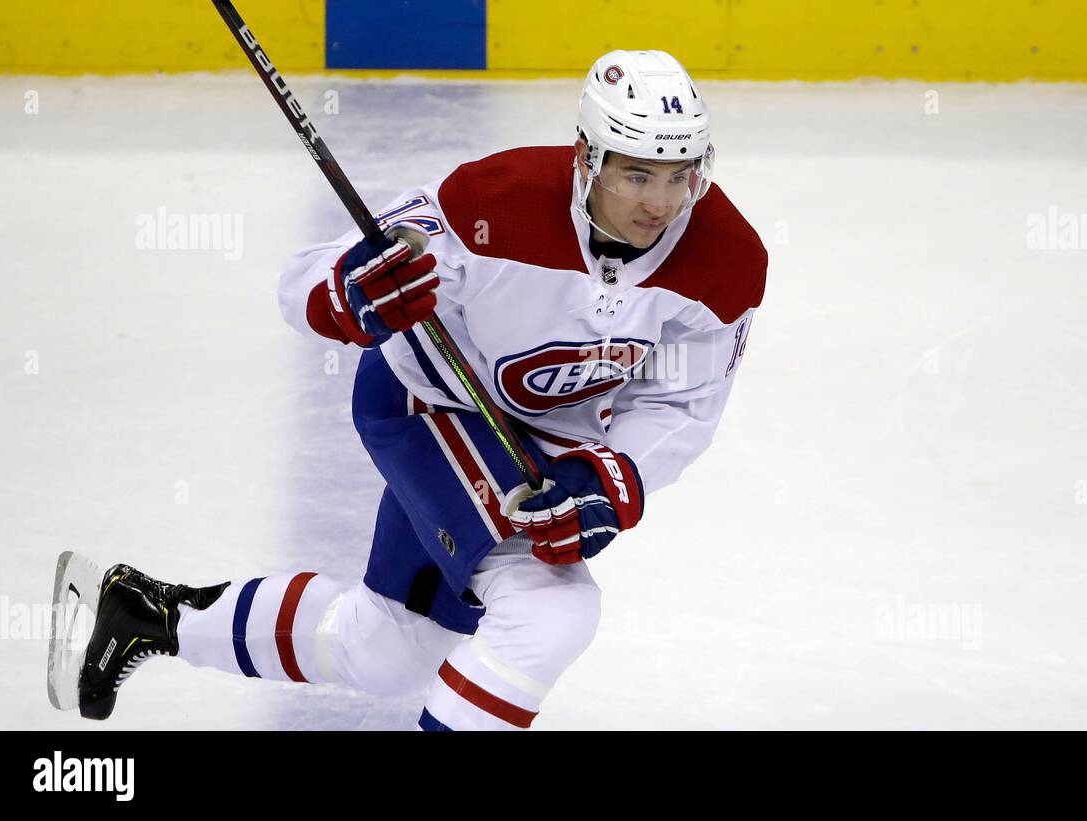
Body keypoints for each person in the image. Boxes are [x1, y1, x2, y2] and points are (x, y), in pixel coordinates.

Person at [76, 49, 766, 730]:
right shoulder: (492, 202)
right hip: (428, 404)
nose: (662, 203)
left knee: (388, 651)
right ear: (588, 157)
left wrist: (616, 474)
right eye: (638, 176)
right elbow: (308, 277)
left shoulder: (727, 258)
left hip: (543, 444)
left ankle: (152, 616)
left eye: (682, 176)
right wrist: (350, 292)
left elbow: (681, 402)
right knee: (552, 607)